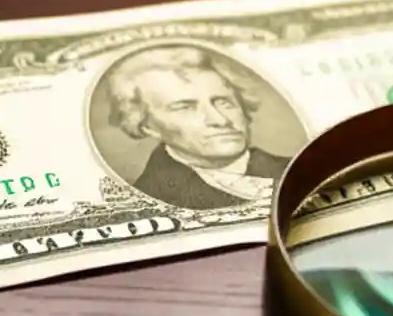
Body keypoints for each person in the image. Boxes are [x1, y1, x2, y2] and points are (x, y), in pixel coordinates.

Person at [103, 45, 289, 209]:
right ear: (147, 126)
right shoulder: (148, 200)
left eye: (224, 102)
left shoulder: (293, 167)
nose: (220, 120)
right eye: (185, 108)